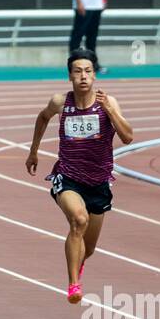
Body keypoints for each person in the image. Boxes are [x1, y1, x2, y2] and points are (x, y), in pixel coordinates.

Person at [25, 49, 134, 304]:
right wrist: (33, 152)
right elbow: (42, 118)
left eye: (87, 71)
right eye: (77, 71)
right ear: (70, 76)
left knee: (90, 247)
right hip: (68, 176)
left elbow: (128, 137)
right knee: (78, 219)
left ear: (94, 74)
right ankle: (74, 284)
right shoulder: (60, 102)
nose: (83, 76)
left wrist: (110, 111)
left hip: (99, 181)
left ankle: (79, 263)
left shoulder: (108, 102)